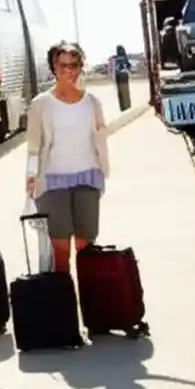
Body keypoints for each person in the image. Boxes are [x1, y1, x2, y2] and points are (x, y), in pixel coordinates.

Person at [25, 41, 111, 274]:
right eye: (62, 65)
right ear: (54, 66)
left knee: (86, 249)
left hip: (88, 177)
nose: (68, 71)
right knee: (60, 249)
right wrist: (31, 176)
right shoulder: (41, 104)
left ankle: (89, 303)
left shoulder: (92, 102)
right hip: (53, 181)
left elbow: (100, 134)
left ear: (80, 67)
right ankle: (65, 304)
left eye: (73, 65)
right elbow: (33, 146)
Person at [109, 44, 133, 111]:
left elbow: (112, 66)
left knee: (121, 92)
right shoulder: (124, 57)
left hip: (118, 75)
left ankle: (123, 106)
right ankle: (126, 105)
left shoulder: (115, 57)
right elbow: (129, 65)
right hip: (123, 75)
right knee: (125, 91)